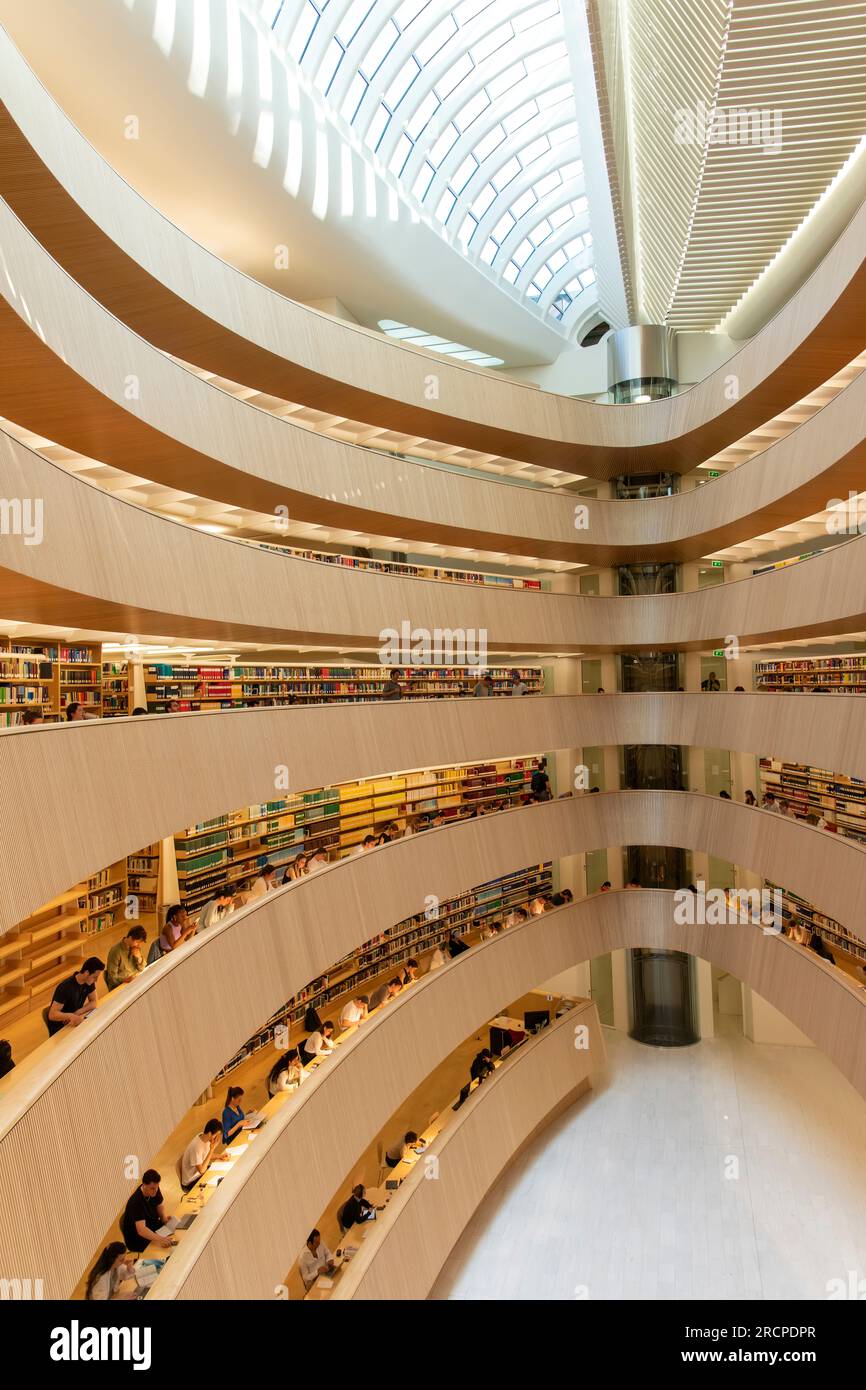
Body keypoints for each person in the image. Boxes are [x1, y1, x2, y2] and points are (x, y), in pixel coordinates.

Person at [46, 958, 104, 1035]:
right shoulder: (65, 987)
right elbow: (52, 1015)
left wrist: (78, 1012)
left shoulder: (89, 982)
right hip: (60, 1029)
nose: (96, 980)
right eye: (95, 977)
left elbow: (94, 1002)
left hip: (73, 1023)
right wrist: (70, 1016)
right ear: (86, 973)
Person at [120, 1170, 173, 1253]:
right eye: (152, 1188)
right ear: (144, 1185)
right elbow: (141, 1230)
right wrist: (161, 1239)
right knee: (163, 1247)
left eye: (157, 1187)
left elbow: (159, 1205)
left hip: (151, 1226)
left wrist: (164, 1219)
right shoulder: (136, 1202)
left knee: (172, 1233)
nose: (155, 1190)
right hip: (137, 1238)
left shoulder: (154, 1188)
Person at [180, 1119, 223, 1190]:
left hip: (199, 1173)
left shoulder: (204, 1137)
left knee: (221, 1175)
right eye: (216, 1136)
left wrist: (220, 1156)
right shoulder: (196, 1147)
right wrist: (212, 1149)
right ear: (210, 1133)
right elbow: (202, 1170)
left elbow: (206, 1156)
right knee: (215, 1187)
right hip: (191, 1181)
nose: (217, 1139)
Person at [104, 925, 148, 991]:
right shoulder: (115, 951)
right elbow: (112, 978)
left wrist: (139, 958)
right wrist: (125, 980)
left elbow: (142, 968)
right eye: (137, 942)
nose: (138, 945)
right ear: (130, 938)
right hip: (122, 987)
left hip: (135, 983)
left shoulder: (135, 948)